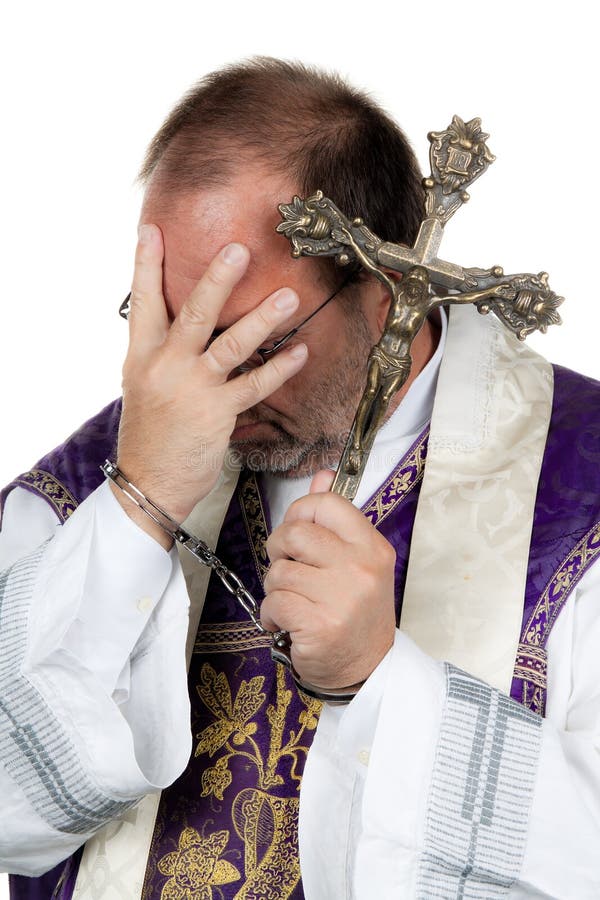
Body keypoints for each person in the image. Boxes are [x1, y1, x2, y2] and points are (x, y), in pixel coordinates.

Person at [1, 57, 599, 900]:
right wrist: (137, 506)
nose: (204, 382)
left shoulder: (583, 493)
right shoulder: (78, 491)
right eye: (168, 320)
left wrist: (379, 679)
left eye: (248, 337)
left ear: (388, 290)